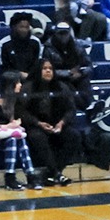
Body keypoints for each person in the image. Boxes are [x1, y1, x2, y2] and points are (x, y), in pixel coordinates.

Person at [22, 59, 81, 188]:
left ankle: (52, 172)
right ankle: (56, 173)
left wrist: (62, 123)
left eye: (50, 68)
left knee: (74, 136)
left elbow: (71, 109)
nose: (48, 71)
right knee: (37, 137)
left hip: (57, 124)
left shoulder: (62, 87)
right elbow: (22, 112)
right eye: (44, 68)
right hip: (36, 125)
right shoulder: (28, 87)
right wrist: (38, 123)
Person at [0, 78, 33, 190]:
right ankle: (9, 177)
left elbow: (10, 121)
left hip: (7, 134)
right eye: (18, 83)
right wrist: (3, 127)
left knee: (19, 138)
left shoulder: (11, 100)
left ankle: (30, 174)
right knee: (13, 139)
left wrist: (15, 124)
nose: (20, 85)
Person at [43, 22, 95, 110]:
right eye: (60, 34)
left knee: (85, 81)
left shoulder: (78, 46)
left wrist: (81, 73)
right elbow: (47, 70)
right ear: (55, 34)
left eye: (65, 33)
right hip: (59, 79)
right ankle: (86, 107)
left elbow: (88, 65)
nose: (63, 36)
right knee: (65, 86)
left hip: (78, 75)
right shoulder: (48, 48)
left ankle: (90, 104)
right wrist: (68, 73)